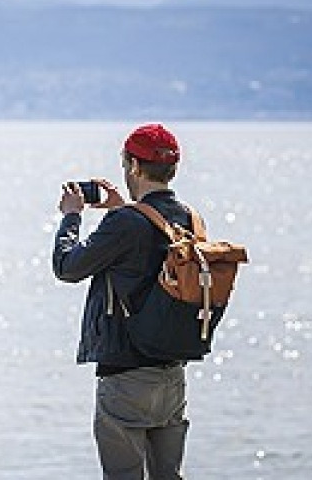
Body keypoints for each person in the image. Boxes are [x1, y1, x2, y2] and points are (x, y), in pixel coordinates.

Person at [52, 123, 205, 480]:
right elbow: (145, 255)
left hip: (125, 376)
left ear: (133, 166)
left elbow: (67, 267)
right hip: (172, 375)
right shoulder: (189, 219)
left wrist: (72, 216)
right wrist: (124, 209)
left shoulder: (125, 223)